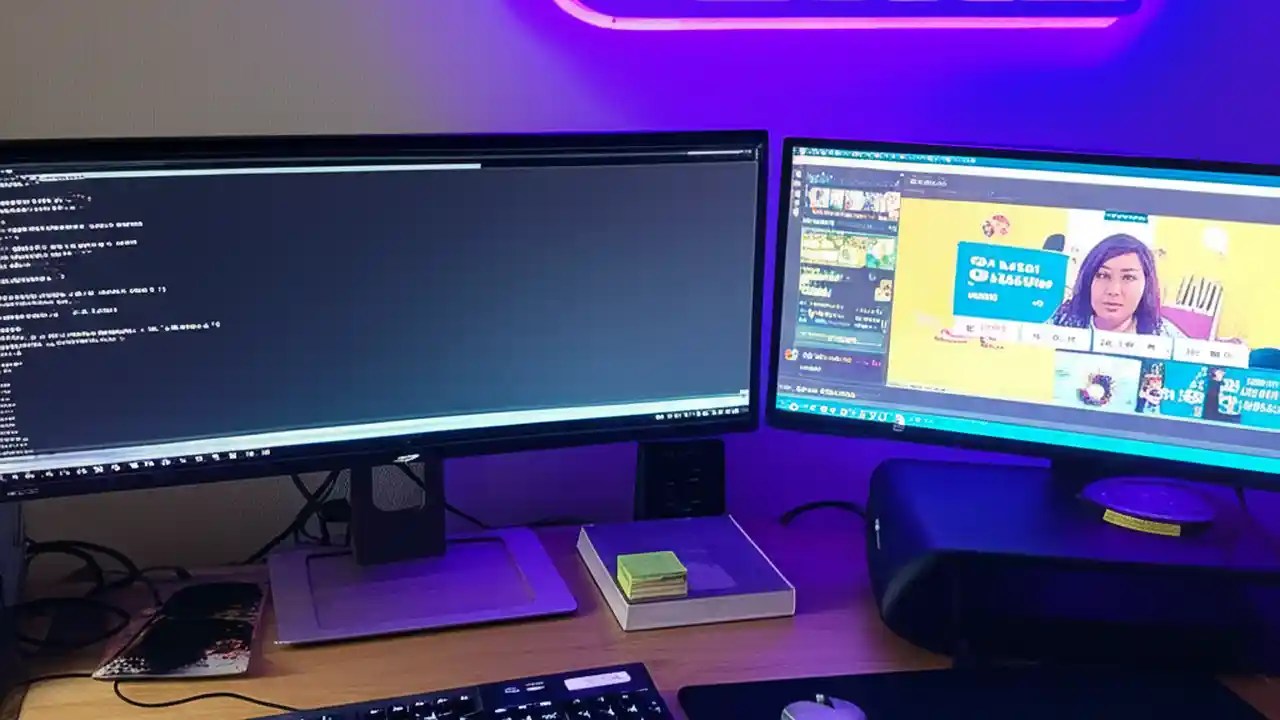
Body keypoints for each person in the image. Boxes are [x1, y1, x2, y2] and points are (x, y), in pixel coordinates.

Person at [1050, 233, 1180, 337]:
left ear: (1146, 284)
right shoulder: (1060, 322)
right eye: (1102, 275)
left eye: (1128, 277)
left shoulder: (1163, 336)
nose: (1113, 291)